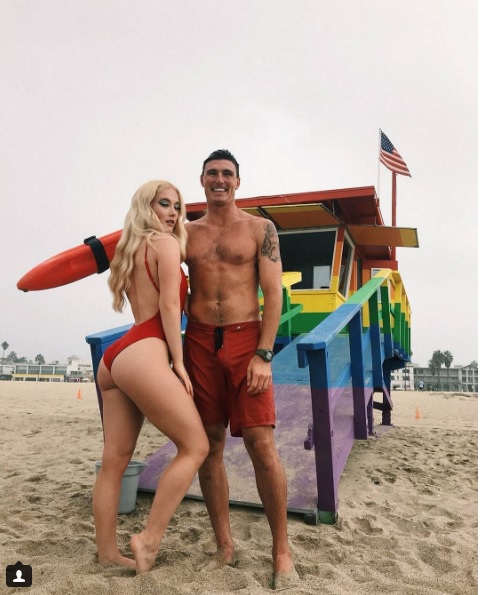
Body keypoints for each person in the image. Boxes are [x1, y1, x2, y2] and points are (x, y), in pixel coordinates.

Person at [184, 149, 294, 586]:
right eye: (212, 173)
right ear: (202, 180)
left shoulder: (259, 229)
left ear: (237, 182)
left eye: (227, 174)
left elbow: (274, 293)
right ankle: (224, 546)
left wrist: (264, 354)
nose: (220, 179)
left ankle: (281, 551)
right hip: (198, 341)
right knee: (208, 442)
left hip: (246, 337)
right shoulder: (184, 232)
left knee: (260, 442)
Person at [93, 180, 209, 573]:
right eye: (165, 204)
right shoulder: (165, 244)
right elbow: (169, 307)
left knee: (114, 461)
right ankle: (148, 539)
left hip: (116, 358)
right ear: (147, 206)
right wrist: (178, 361)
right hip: (146, 351)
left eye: (178, 206)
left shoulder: (130, 248)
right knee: (195, 446)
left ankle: (107, 553)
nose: (173, 213)